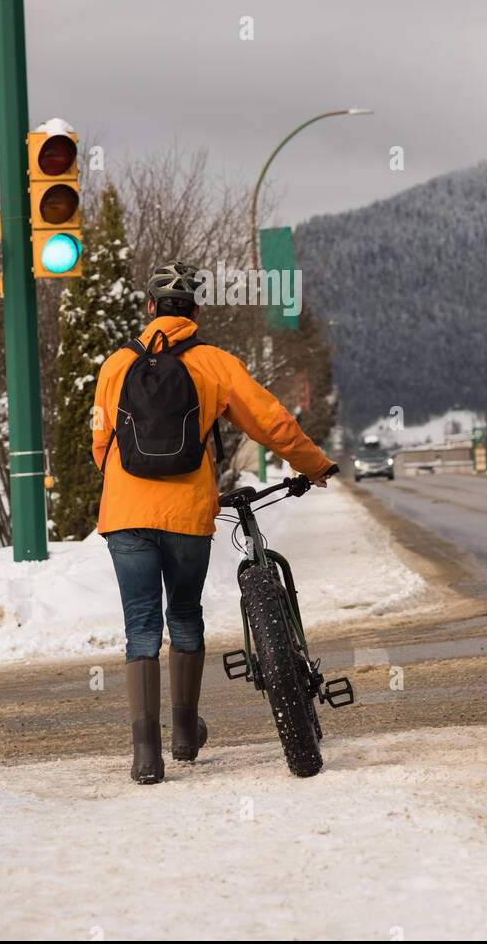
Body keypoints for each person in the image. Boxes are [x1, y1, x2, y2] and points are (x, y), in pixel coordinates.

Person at [92, 260, 334, 784]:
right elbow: (271, 421)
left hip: (126, 515)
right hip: (187, 514)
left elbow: (99, 444)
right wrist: (313, 465)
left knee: (140, 626)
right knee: (183, 613)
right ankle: (184, 733)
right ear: (197, 311)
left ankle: (145, 756)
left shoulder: (114, 366)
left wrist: (128, 487)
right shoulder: (214, 363)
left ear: (150, 308)